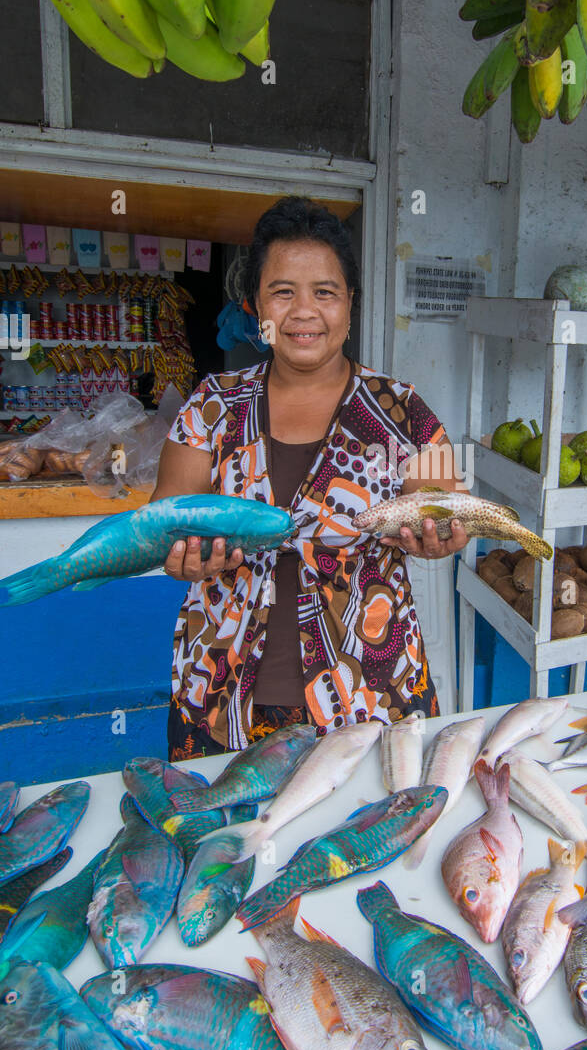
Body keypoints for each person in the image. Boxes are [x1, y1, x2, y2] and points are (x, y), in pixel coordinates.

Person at [153, 197, 467, 760]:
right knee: (228, 841)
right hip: (221, 691)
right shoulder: (211, 405)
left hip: (371, 687)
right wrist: (180, 551)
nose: (304, 312)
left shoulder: (405, 408)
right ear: (255, 307)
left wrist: (440, 533)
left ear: (350, 302)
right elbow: (166, 517)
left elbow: (444, 503)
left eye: (324, 292)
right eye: (283, 292)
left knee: (365, 839)